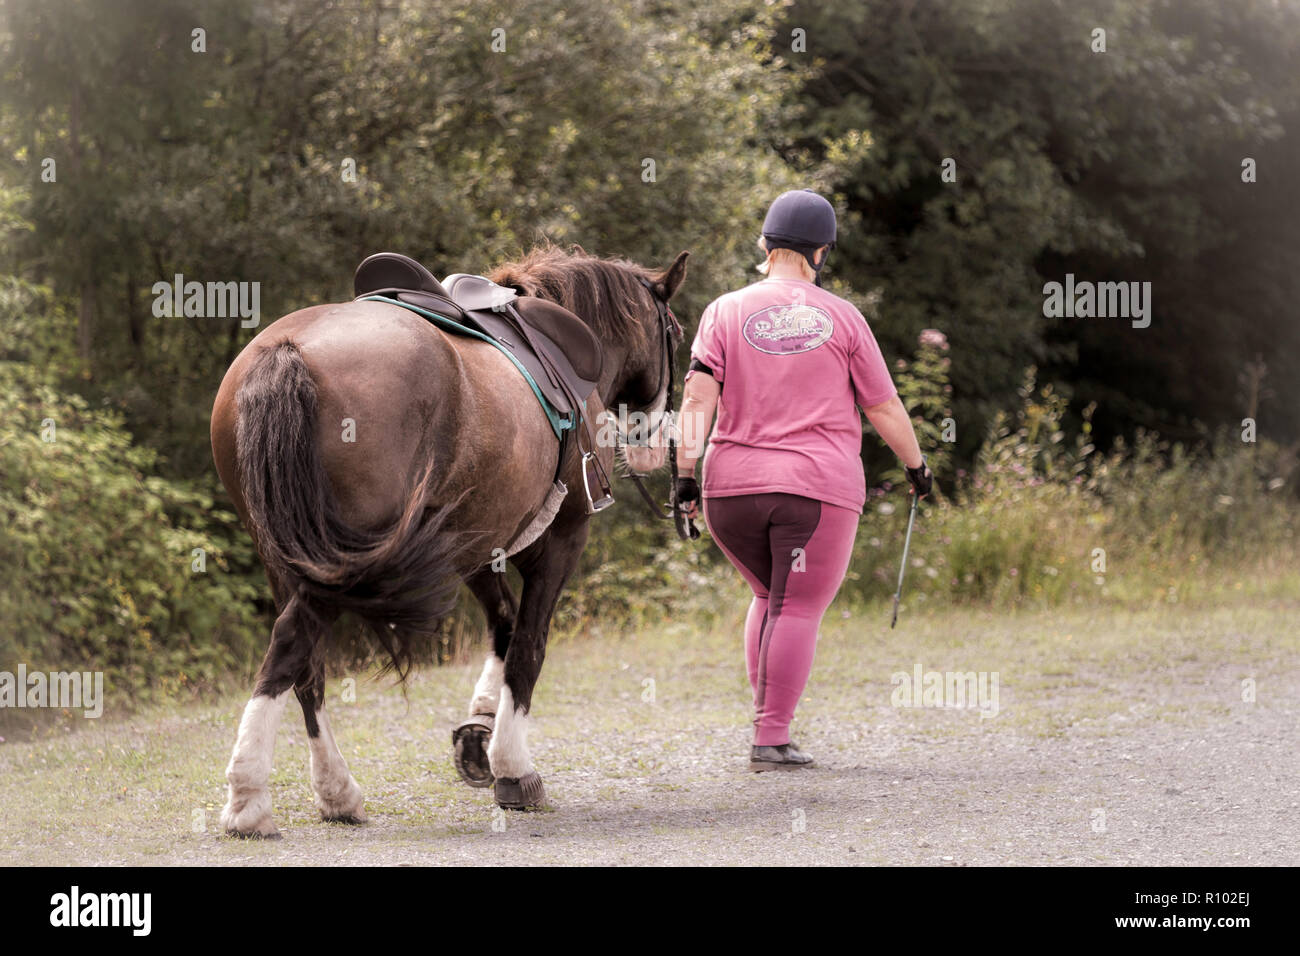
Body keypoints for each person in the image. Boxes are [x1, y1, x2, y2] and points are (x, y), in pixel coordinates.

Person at [674, 189, 933, 771]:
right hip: (814, 490)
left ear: (765, 245)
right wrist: (916, 467)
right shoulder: (843, 317)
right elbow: (884, 408)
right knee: (796, 607)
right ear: (822, 253)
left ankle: (768, 721)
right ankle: (770, 738)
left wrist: (684, 476)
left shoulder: (723, 309)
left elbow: (697, 396)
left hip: (730, 490)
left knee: (769, 596)